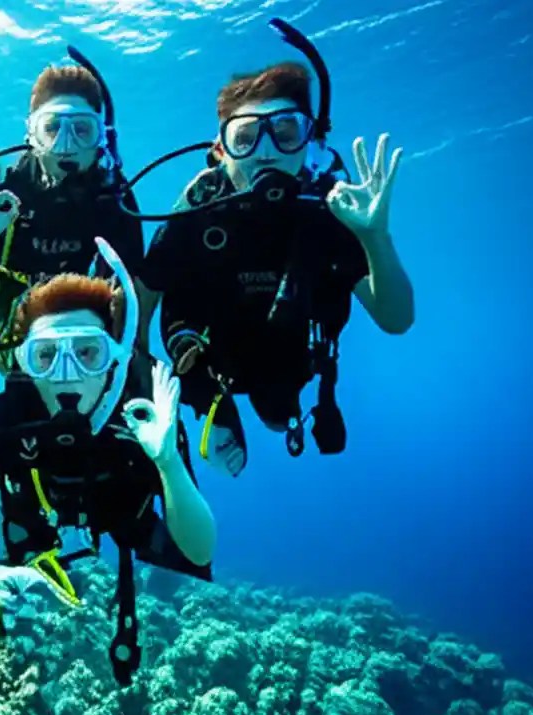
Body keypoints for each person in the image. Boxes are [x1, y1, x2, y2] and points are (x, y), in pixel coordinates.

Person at [140, 23, 415, 477]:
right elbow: (140, 305)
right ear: (221, 150)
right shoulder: (198, 208)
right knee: (197, 369)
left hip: (286, 357)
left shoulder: (331, 212)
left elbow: (396, 319)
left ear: (311, 142)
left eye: (286, 131)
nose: (266, 151)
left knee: (278, 404)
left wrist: (374, 237)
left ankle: (271, 408)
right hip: (207, 357)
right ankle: (212, 403)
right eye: (245, 137)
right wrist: (143, 388)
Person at [0, 238, 216, 686]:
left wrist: (167, 460)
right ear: (24, 364)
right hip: (36, 519)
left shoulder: (145, 416)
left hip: (123, 512)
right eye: (46, 356)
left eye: (87, 352)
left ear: (114, 359)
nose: (67, 372)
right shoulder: (0, 423)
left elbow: (200, 550)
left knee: (144, 534)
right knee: (22, 561)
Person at [0, 57, 154, 375]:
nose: (65, 145)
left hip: (82, 315)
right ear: (32, 135)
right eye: (51, 129)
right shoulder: (9, 192)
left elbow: (127, 305)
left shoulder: (113, 199)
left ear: (101, 137)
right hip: (9, 323)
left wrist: (132, 375)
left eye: (82, 130)